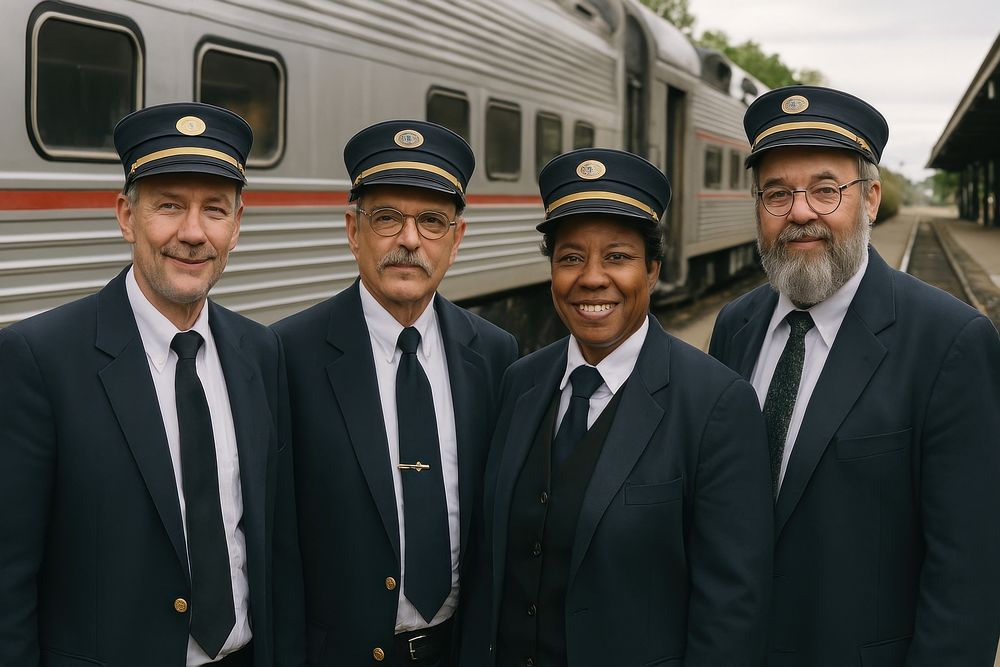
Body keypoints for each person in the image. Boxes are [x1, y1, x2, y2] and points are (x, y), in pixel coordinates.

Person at [0, 102, 305, 666]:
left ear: (236, 227)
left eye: (214, 210)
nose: (192, 233)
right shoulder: (39, 359)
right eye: (169, 206)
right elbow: (8, 575)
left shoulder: (260, 351)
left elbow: (271, 543)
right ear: (125, 216)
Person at [709, 85, 1000, 665]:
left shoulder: (951, 343)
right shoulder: (735, 328)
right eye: (777, 194)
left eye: (825, 190)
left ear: (869, 200)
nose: (800, 212)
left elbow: (968, 574)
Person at [461, 148, 773, 666]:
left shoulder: (716, 404)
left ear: (652, 270)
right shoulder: (520, 382)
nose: (592, 278)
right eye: (570, 257)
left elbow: (732, 606)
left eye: (618, 257)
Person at [272, 120, 518, 666]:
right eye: (387, 218)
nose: (410, 240)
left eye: (432, 221)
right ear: (352, 230)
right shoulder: (287, 355)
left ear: (456, 239)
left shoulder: (496, 355)